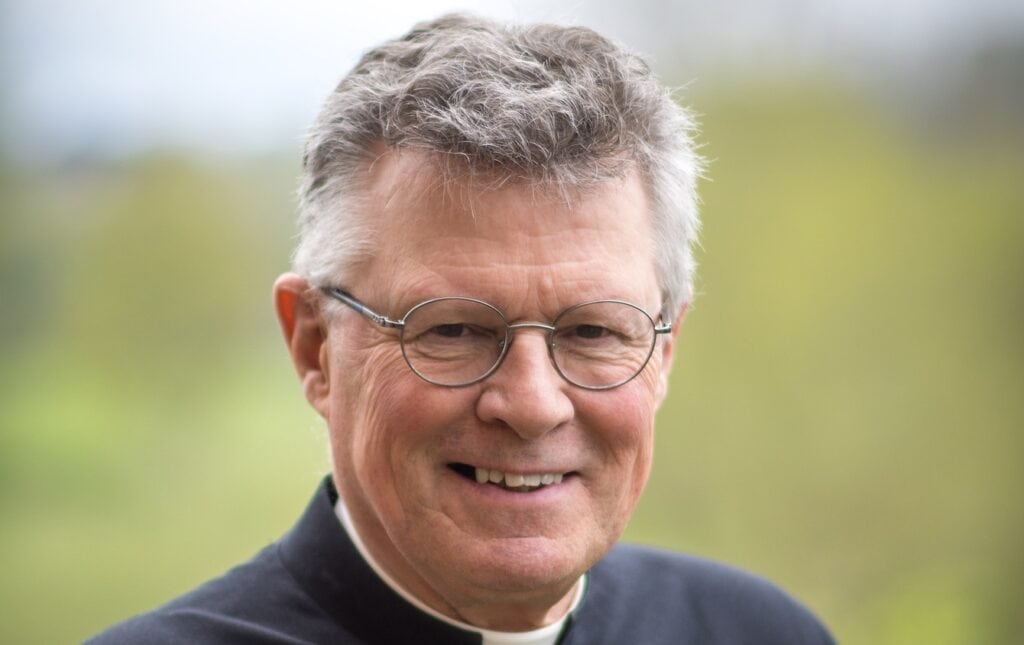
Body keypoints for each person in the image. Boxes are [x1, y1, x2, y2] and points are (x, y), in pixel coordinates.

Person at [89, 13, 834, 645]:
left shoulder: (759, 631)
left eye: (594, 332)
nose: (534, 403)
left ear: (664, 350)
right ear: (315, 345)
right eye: (452, 330)